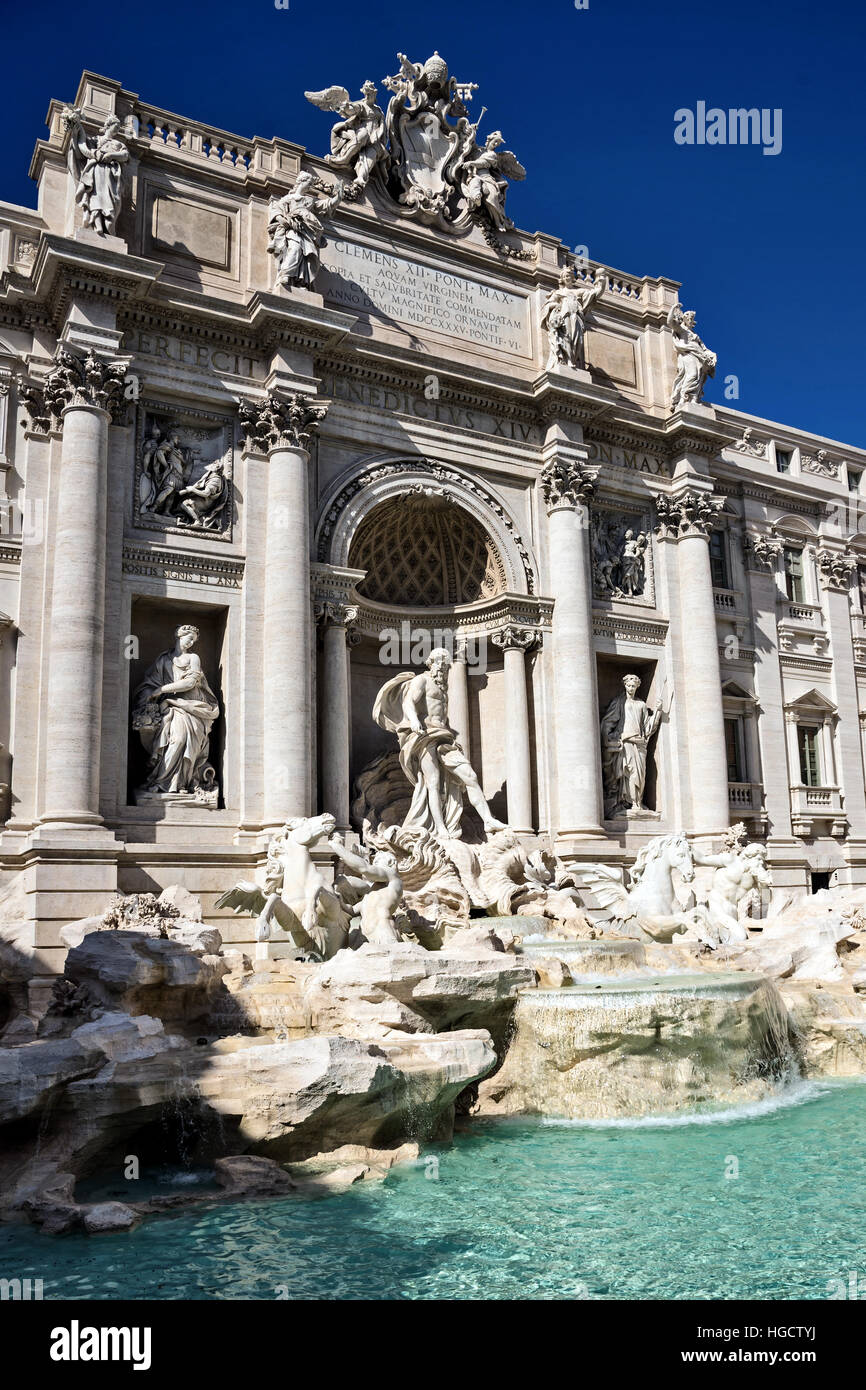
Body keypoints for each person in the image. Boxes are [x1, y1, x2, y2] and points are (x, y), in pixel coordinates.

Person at [373, 647, 506, 839]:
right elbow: (408, 703)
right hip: (425, 736)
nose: (443, 668)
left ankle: (488, 820)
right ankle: (440, 828)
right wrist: (414, 721)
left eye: (446, 665)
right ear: (431, 663)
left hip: (443, 737)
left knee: (469, 775)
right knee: (433, 783)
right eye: (440, 663)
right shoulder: (421, 680)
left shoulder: (443, 689)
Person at [131, 625, 219, 796]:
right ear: (179, 635)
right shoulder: (164, 660)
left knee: (183, 741)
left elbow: (190, 683)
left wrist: (161, 690)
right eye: (189, 638)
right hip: (171, 707)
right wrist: (149, 695)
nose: (191, 642)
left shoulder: (193, 658)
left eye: (194, 640)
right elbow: (150, 683)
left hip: (192, 708)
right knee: (175, 740)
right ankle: (161, 782)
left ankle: (181, 783)